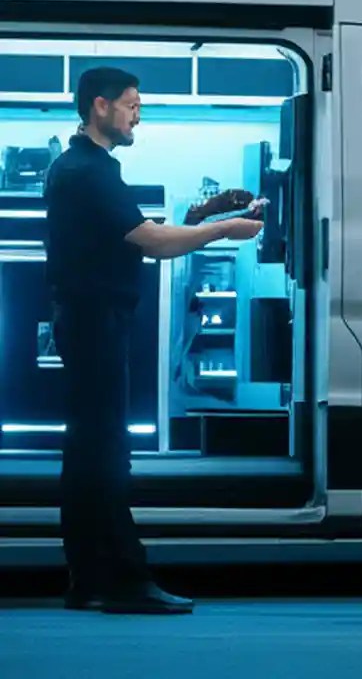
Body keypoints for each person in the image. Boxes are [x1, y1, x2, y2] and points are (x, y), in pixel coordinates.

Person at [43, 66, 264, 614]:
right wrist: (224, 229)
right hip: (95, 324)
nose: (138, 113)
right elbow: (151, 241)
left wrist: (206, 219)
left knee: (87, 451)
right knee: (107, 453)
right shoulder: (87, 171)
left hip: (86, 322)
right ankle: (125, 580)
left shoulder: (82, 169)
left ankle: (87, 577)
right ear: (100, 106)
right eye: (131, 104)